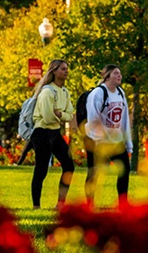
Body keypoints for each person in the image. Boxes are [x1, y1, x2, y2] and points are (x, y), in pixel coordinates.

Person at [83, 64, 135, 206]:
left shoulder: (120, 92)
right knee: (95, 173)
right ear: (107, 76)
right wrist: (99, 138)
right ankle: (89, 204)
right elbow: (93, 118)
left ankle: (123, 203)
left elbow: (124, 119)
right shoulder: (98, 93)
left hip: (116, 140)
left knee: (124, 170)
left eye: (120, 73)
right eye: (115, 73)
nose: (119, 76)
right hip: (98, 141)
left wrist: (127, 142)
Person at [28, 59, 76, 209]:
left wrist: (60, 114)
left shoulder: (65, 92)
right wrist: (62, 116)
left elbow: (70, 114)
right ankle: (36, 205)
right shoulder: (47, 91)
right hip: (42, 133)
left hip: (55, 132)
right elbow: (48, 118)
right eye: (62, 69)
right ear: (54, 71)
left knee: (69, 166)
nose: (66, 71)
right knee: (41, 170)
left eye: (67, 68)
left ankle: (60, 204)